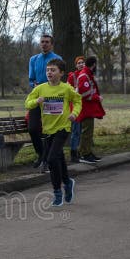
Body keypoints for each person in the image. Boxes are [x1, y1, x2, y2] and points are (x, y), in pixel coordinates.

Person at [25, 58, 82, 207]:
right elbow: (27, 103)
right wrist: (37, 102)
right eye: (48, 70)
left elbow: (78, 101)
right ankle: (68, 182)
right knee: (59, 159)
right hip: (48, 129)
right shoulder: (40, 88)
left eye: (53, 70)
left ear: (61, 73)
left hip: (63, 128)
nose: (49, 72)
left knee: (50, 159)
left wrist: (74, 114)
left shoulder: (66, 88)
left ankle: (57, 192)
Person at [28, 34, 62, 169]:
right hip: (37, 98)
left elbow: (59, 78)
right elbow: (31, 79)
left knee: (50, 130)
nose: (44, 44)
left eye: (47, 42)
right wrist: (34, 86)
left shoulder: (57, 59)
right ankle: (41, 154)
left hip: (52, 98)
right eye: (42, 42)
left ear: (51, 44)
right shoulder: (33, 59)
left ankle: (48, 158)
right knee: (32, 128)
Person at [74, 56, 105, 164]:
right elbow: (84, 93)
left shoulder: (87, 74)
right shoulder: (84, 76)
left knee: (88, 132)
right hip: (86, 109)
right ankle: (84, 154)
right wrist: (97, 97)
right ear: (94, 64)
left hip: (89, 108)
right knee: (86, 132)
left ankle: (88, 152)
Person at [66, 56, 85, 163]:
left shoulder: (86, 75)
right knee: (75, 131)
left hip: (84, 108)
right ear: (76, 65)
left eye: (83, 62)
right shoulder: (72, 76)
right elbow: (68, 91)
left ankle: (79, 151)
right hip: (74, 107)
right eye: (79, 63)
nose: (81, 64)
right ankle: (73, 153)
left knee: (81, 132)